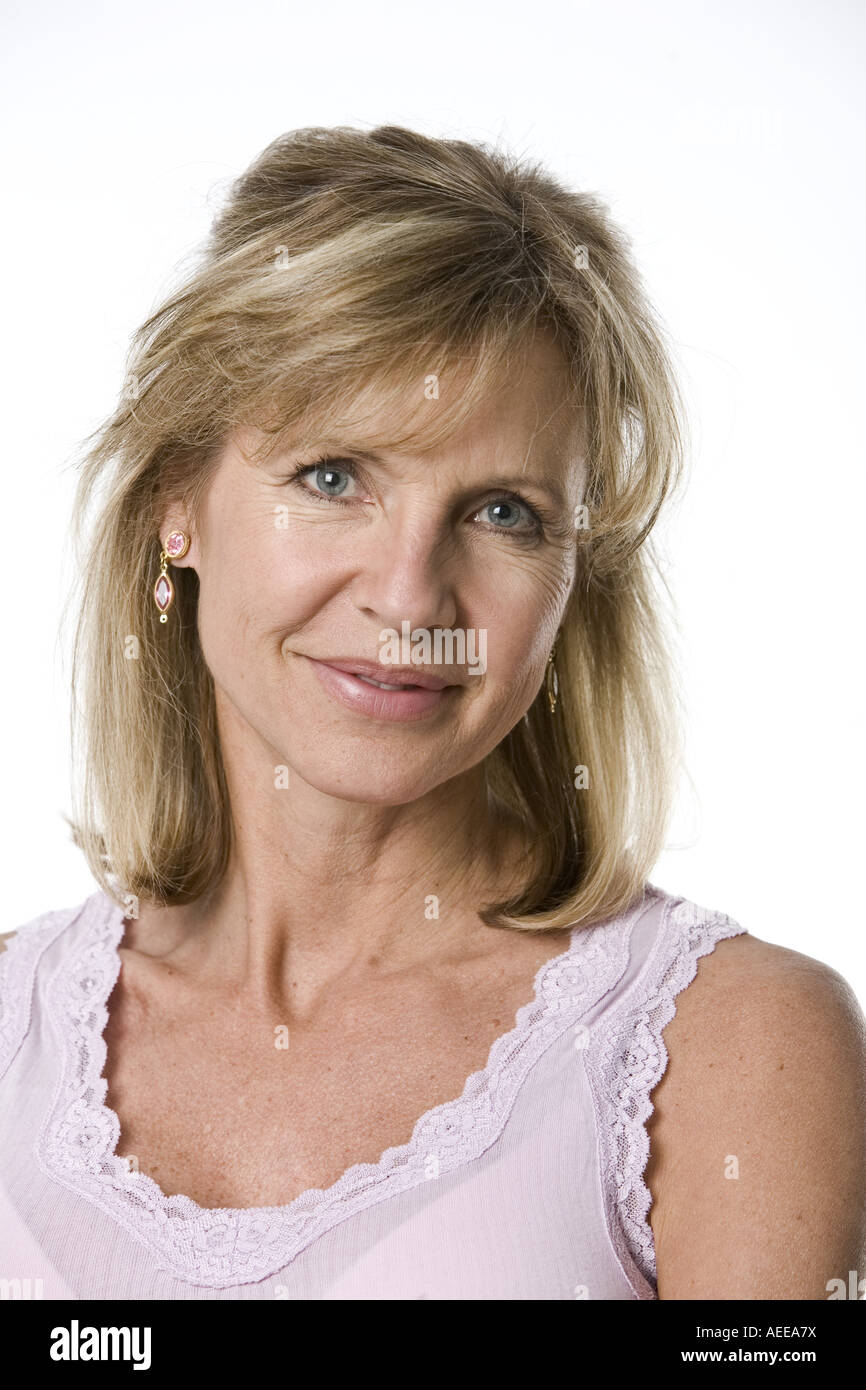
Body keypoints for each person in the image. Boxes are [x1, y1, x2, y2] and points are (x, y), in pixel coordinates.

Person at [1, 125, 863, 1301]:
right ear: (178, 507)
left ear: (573, 581)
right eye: (332, 476)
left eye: (502, 511)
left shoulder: (730, 1049)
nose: (409, 597)